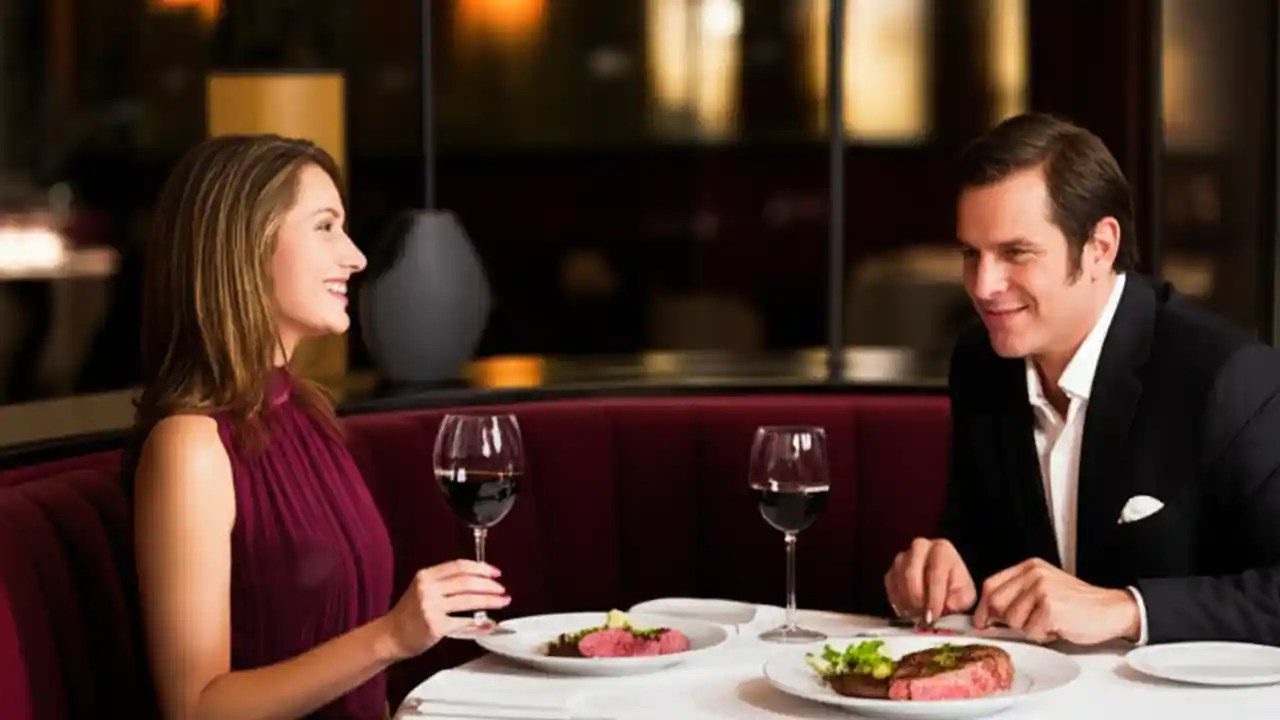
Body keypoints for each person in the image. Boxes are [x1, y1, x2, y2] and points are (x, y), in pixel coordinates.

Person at [127, 134, 512, 720]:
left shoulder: (306, 412)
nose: (356, 256)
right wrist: (392, 638)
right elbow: (196, 708)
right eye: (326, 226)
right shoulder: (190, 447)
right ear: (246, 247)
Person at [884, 112, 1280, 648]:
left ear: (1100, 247)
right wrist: (949, 566)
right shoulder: (981, 362)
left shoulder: (1225, 376)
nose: (983, 285)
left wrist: (1128, 609)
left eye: (1016, 253)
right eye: (971, 253)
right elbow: (981, 540)